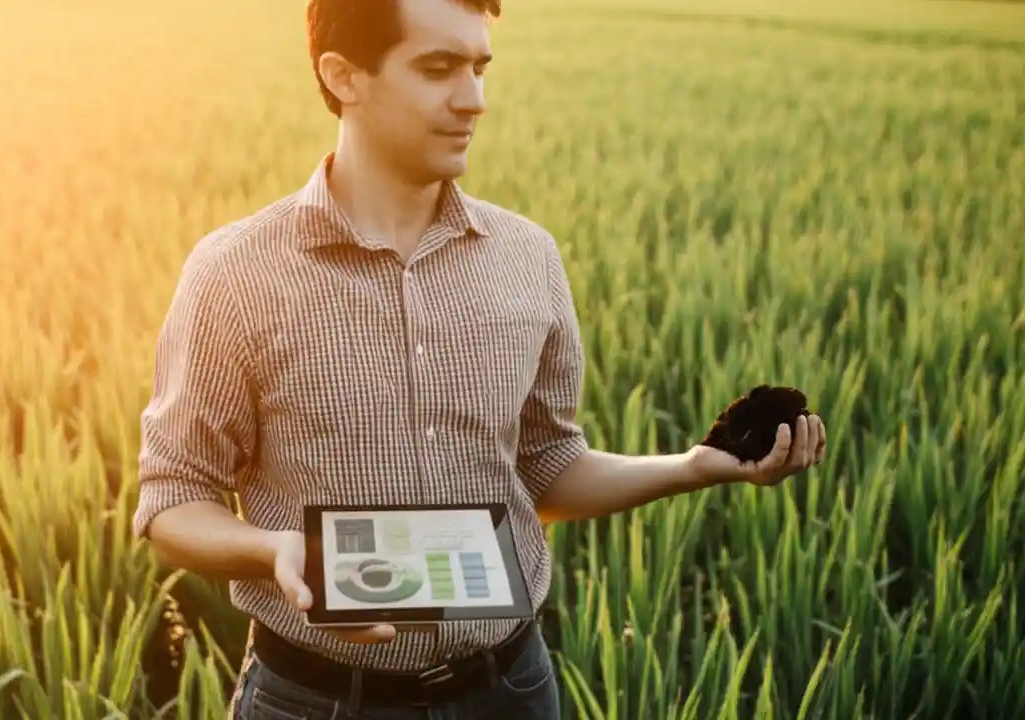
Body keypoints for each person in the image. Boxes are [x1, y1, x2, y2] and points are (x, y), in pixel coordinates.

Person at [132, 0, 828, 717]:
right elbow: (173, 498)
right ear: (343, 76)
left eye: (479, 67)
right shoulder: (237, 273)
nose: (474, 99)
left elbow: (547, 468)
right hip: (318, 698)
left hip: (510, 688)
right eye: (438, 69)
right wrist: (273, 553)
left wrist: (691, 468)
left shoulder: (529, 258)